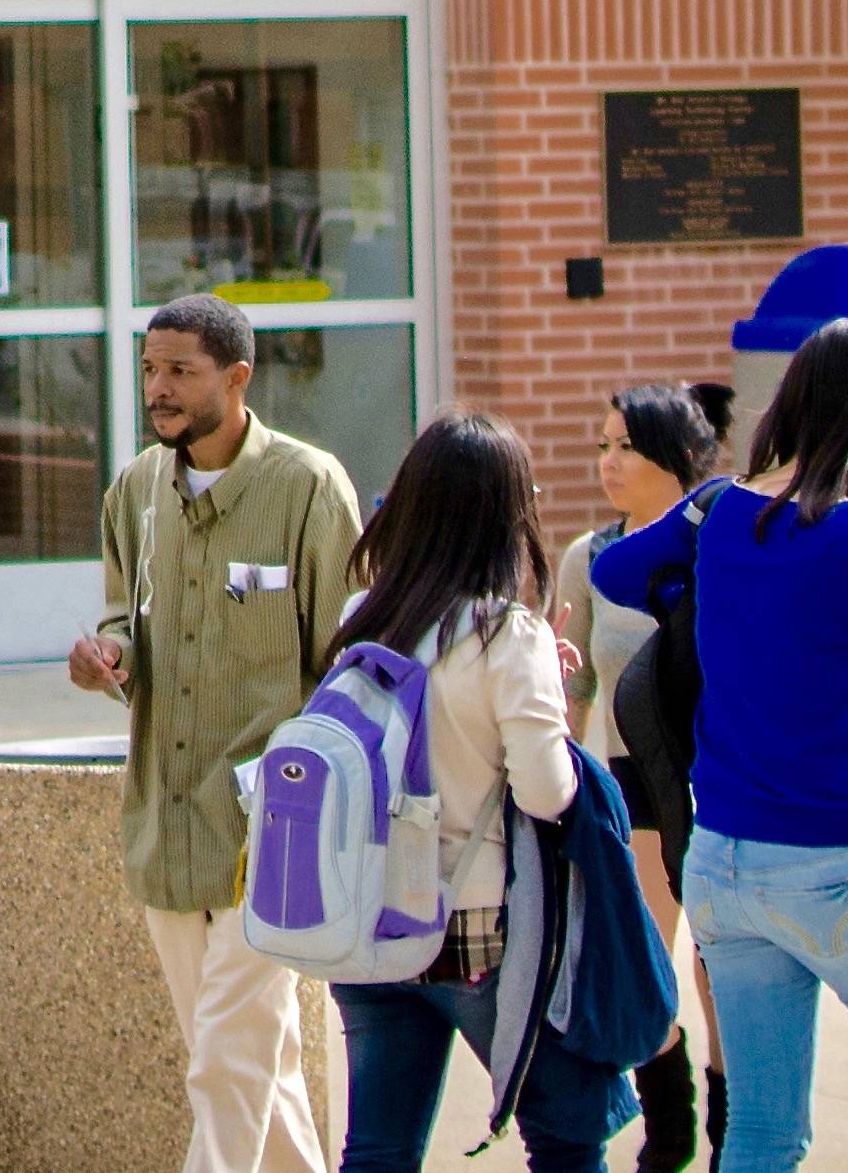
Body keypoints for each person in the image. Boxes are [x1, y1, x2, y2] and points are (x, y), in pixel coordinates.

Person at [590, 327, 848, 1173]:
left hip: (723, 863)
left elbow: (616, 575)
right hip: (838, 861)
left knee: (763, 1134)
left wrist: (698, 517)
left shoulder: (722, 512)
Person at [70, 292, 368, 1173]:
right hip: (167, 820)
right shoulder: (133, 491)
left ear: (237, 378)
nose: (157, 389)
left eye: (179, 372)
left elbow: (347, 660)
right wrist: (107, 656)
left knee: (225, 1058)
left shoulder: (309, 487)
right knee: (250, 1061)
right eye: (150, 369)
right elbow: (127, 616)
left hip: (277, 832)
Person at [326, 412, 619, 1173]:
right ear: (504, 516)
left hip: (367, 924)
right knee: (566, 1138)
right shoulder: (504, 635)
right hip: (473, 928)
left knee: (378, 1150)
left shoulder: (363, 618)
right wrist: (547, 691)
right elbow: (550, 794)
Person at [564, 384, 733, 1173]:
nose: (607, 462)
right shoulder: (590, 558)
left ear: (677, 457)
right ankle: (668, 1137)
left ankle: (737, 1137)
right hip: (630, 787)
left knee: (723, 966)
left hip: (725, 782)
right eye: (602, 446)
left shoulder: (724, 546)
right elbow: (572, 693)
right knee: (648, 965)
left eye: (624, 447)